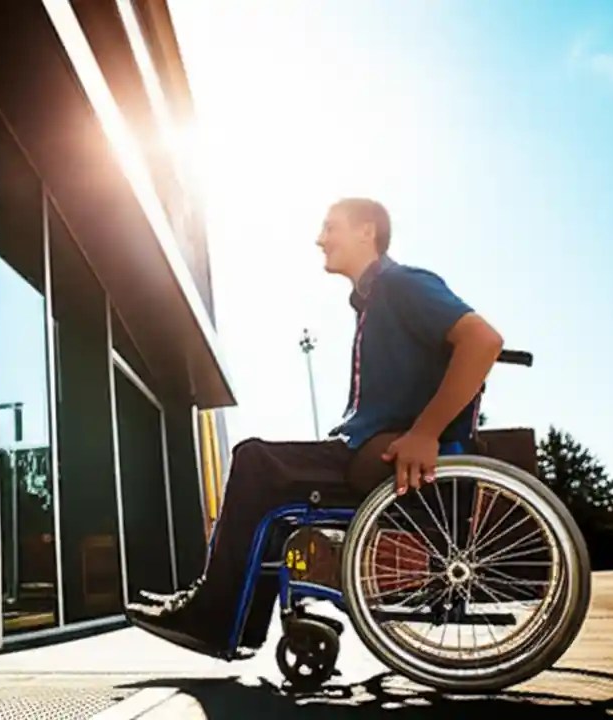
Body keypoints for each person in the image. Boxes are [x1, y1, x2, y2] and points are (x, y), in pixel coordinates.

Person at [125, 197, 505, 656]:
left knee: (254, 460)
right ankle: (234, 624)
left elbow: (483, 340)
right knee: (273, 486)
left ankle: (211, 616)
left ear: (367, 231)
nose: (320, 239)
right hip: (371, 449)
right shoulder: (374, 302)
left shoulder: (401, 285)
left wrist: (426, 433)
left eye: (331, 227)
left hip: (388, 459)